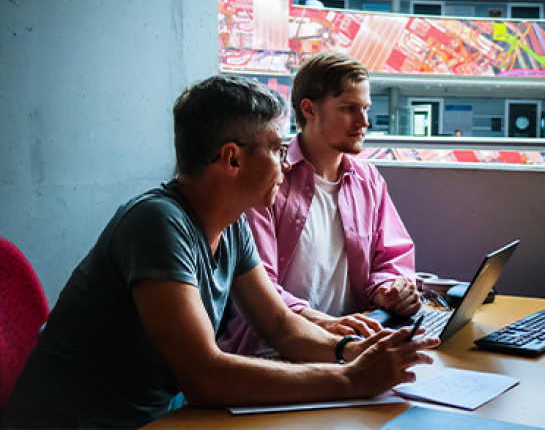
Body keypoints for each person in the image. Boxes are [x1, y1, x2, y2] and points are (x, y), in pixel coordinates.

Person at [1, 76, 437, 429]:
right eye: (277, 148)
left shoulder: (230, 225)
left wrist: (350, 350)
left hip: (160, 420)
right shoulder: (157, 223)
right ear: (232, 159)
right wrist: (349, 380)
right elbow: (205, 377)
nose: (286, 164)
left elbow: (281, 325)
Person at [220, 53, 417, 354]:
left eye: (364, 109)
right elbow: (259, 286)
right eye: (349, 109)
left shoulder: (368, 179)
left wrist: (390, 291)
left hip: (354, 344)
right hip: (275, 350)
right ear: (309, 109)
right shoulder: (267, 177)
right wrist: (324, 326)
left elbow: (391, 258)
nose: (364, 122)